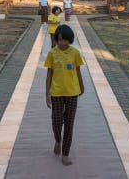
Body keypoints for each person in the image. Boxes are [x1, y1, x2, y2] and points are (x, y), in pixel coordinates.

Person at [45, 24, 84, 166]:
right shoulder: (52, 53)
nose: (62, 43)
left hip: (72, 92)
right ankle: (58, 140)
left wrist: (82, 86)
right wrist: (47, 94)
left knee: (69, 123)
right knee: (56, 121)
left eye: (65, 40)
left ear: (70, 40)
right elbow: (49, 74)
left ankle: (65, 154)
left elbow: (78, 71)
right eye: (60, 40)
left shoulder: (75, 53)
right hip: (56, 92)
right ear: (56, 40)